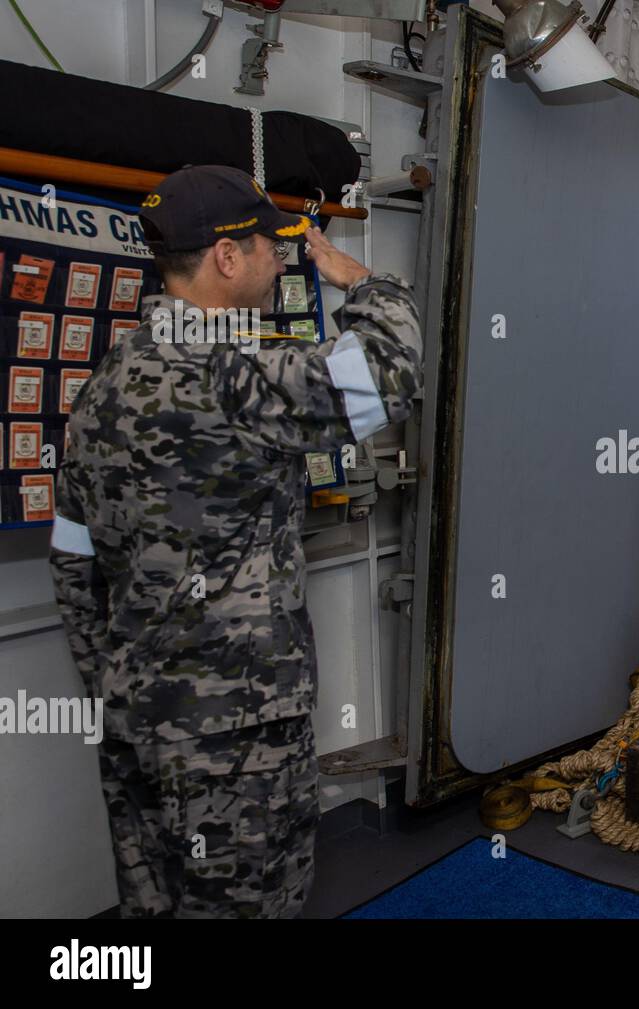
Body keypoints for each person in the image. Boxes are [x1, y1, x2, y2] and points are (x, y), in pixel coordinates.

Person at [47, 165, 424, 917]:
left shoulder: (102, 388)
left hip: (138, 720)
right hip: (236, 739)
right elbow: (389, 372)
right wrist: (365, 281)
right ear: (226, 256)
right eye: (267, 246)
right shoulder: (229, 378)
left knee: (152, 910)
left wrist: (116, 684)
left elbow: (71, 558)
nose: (281, 261)